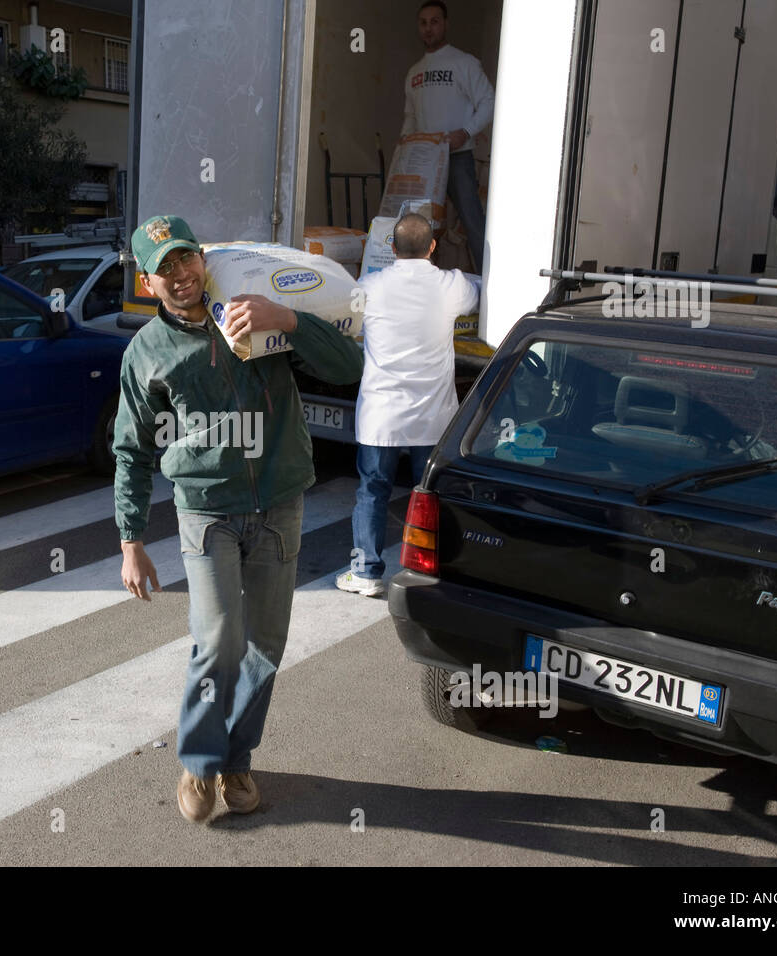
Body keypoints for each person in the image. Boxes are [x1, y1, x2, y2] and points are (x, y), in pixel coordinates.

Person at [114, 215, 363, 823]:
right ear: (148, 283)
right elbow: (131, 449)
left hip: (279, 502)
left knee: (265, 646)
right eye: (163, 268)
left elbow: (348, 366)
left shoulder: (256, 316)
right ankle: (199, 762)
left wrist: (289, 320)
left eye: (184, 260)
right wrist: (130, 539)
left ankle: (236, 759)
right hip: (207, 513)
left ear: (202, 260)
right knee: (218, 640)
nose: (179, 276)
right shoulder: (146, 353)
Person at [336, 213, 478, 597]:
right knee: (431, 494)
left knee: (372, 491)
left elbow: (347, 319)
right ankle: (436, 570)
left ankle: (366, 572)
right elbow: (477, 295)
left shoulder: (370, 285)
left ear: (392, 248)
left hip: (382, 415)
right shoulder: (451, 285)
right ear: (433, 247)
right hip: (433, 418)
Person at [401, 0, 495, 272]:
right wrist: (405, 141)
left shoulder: (463, 63)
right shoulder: (414, 72)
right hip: (424, 165)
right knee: (420, 227)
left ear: (445, 24)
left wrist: (464, 132)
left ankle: (489, 289)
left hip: (457, 158)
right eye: (423, 23)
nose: (428, 28)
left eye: (434, 21)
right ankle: (422, 283)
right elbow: (411, 116)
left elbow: (488, 101)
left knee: (472, 223)